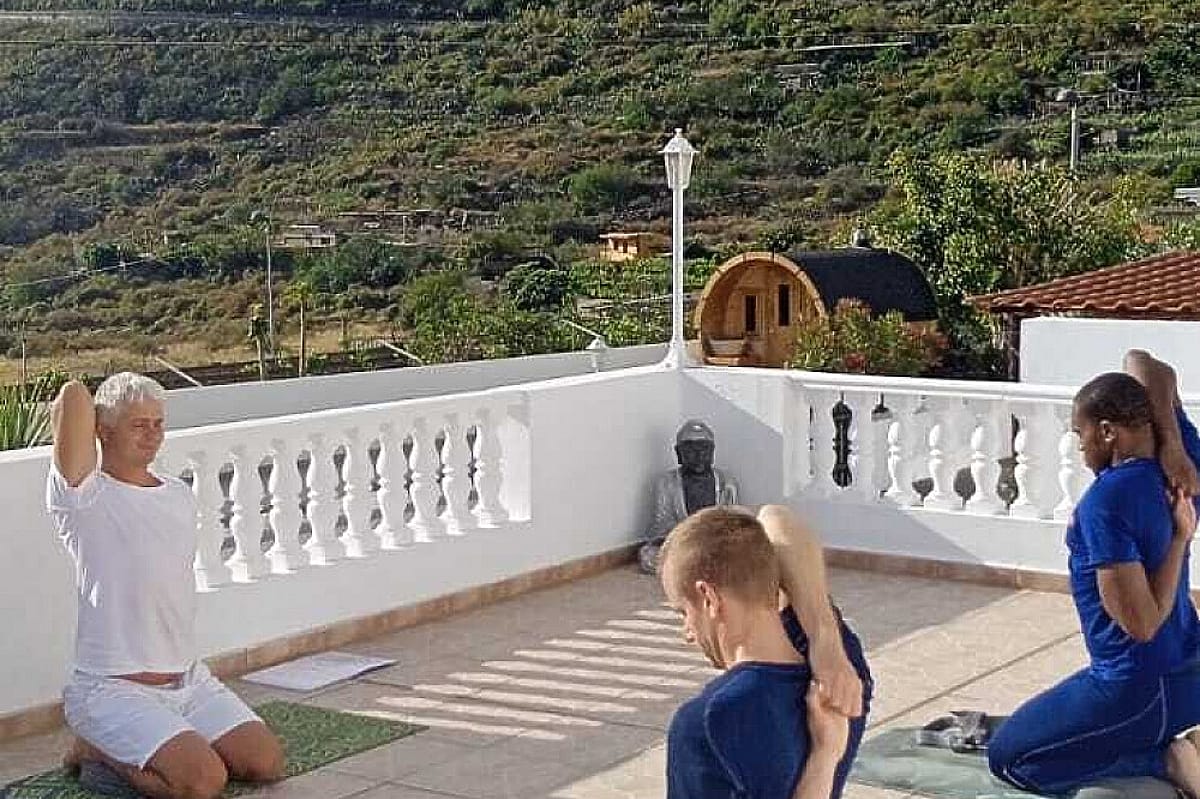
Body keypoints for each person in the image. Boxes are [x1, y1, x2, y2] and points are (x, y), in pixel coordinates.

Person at [48, 374, 285, 799]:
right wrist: (96, 403)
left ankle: (167, 740)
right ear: (103, 430)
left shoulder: (177, 493)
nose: (153, 435)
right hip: (114, 691)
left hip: (189, 682)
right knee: (203, 782)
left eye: (158, 423)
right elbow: (72, 398)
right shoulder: (84, 498)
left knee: (265, 763)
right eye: (139, 425)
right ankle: (97, 750)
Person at [988, 350, 1200, 796]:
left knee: (1010, 756)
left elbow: (1142, 625)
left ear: (1107, 432)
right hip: (1189, 680)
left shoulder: (1105, 502)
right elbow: (1144, 364)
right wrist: (1175, 444)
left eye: (1079, 435)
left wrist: (1180, 542)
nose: (1080, 447)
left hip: (1136, 691)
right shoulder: (1180, 467)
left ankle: (1163, 758)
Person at [660, 505, 872, 799]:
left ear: (708, 597)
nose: (687, 633)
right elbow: (775, 517)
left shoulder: (705, 723)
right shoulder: (842, 680)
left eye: (683, 611)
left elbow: (774, 521)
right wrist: (826, 640)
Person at [640, 419, 739, 574]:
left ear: (712, 453)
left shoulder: (726, 482)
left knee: (741, 550)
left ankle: (691, 569)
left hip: (716, 543)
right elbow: (662, 524)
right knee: (648, 555)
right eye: (691, 451)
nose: (698, 456)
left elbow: (732, 522)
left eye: (704, 450)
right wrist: (689, 536)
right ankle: (704, 568)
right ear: (679, 453)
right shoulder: (667, 482)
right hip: (683, 544)